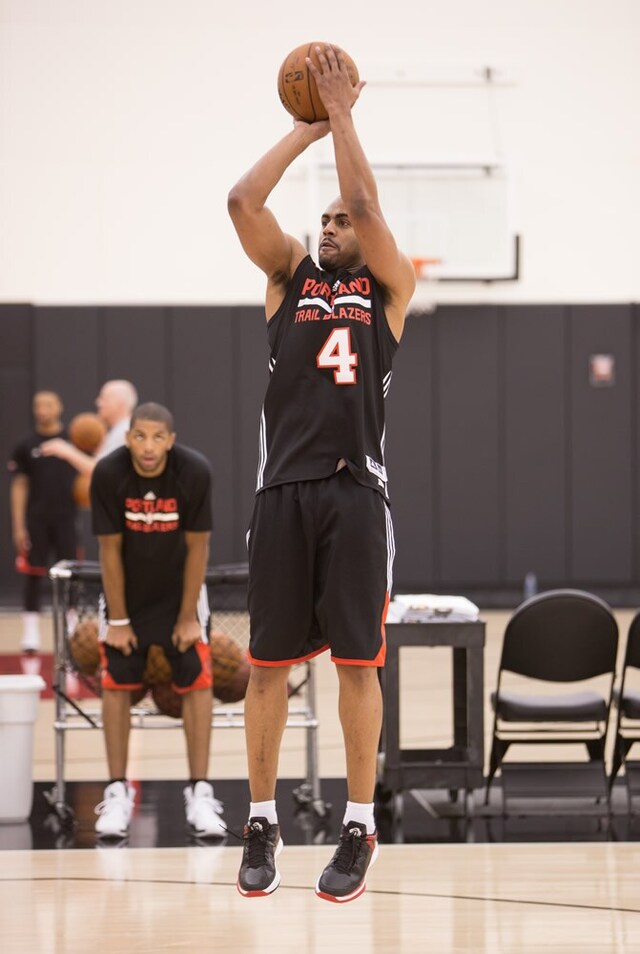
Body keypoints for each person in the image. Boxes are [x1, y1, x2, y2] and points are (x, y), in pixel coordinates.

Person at [227, 45, 416, 902]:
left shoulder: (389, 291)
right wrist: (303, 129)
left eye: (346, 221)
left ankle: (359, 824)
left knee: (355, 663)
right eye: (329, 220)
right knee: (267, 665)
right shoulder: (286, 280)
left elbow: (369, 200)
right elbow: (241, 200)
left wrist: (344, 116)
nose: (336, 224)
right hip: (283, 494)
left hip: (354, 490)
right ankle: (261, 818)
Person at [90, 401, 225, 841]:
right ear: (128, 437)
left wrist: (188, 617)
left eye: (158, 437)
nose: (148, 446)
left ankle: (200, 793)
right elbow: (108, 551)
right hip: (127, 594)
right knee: (116, 683)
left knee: (198, 680)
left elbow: (199, 548)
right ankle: (116, 792)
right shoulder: (109, 474)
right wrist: (120, 618)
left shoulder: (194, 472)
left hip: (178, 594)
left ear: (171, 439)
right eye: (140, 436)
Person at [8, 391, 79, 653]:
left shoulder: (73, 441)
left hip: (67, 519)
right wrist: (18, 525)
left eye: (48, 404)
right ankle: (30, 635)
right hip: (36, 520)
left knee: (71, 576)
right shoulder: (26, 444)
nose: (42, 409)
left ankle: (72, 631)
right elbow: (19, 486)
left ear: (59, 407)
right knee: (33, 575)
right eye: (37, 404)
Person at [40, 379, 138, 475]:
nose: (98, 402)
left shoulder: (124, 430)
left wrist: (65, 450)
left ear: (119, 402)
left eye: (103, 398)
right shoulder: (120, 429)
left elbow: (100, 470)